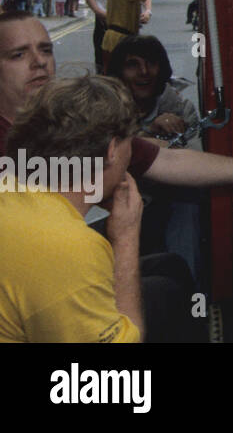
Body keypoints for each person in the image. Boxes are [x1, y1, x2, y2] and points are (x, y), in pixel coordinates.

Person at [0, 13, 233, 227]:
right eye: (18, 55)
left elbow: (168, 161)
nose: (39, 62)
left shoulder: (69, 120)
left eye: (45, 50)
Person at [0, 75, 147, 342]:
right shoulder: (68, 248)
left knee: (166, 270)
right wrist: (126, 238)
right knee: (167, 294)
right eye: (130, 141)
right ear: (113, 149)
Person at [106, 35, 204, 282]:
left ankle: (187, 289)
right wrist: (147, 133)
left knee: (187, 202)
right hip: (119, 202)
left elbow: (197, 161)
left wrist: (175, 136)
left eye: (151, 63)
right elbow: (103, 159)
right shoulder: (106, 110)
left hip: (169, 201)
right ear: (119, 71)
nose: (144, 72)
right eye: (133, 65)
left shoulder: (179, 107)